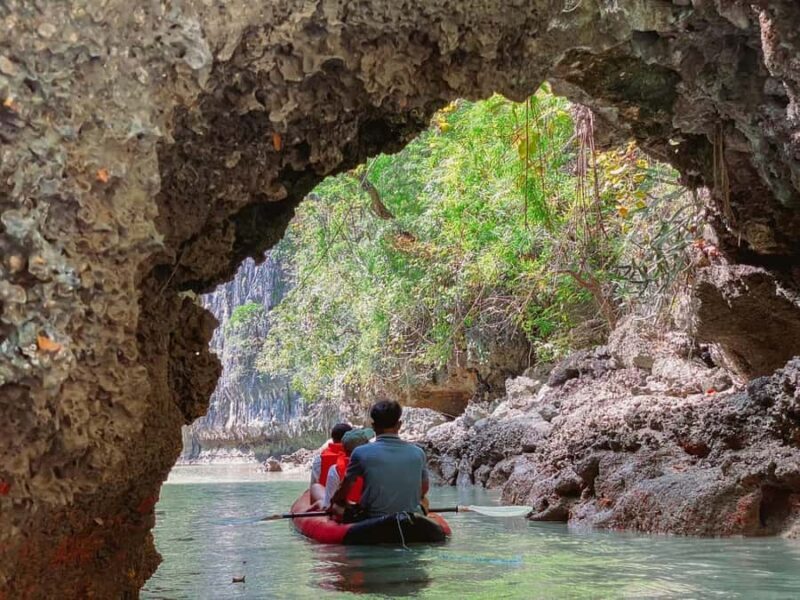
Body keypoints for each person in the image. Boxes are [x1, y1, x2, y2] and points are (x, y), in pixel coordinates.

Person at [331, 400, 429, 519]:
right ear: (399, 425)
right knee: (424, 500)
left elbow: (344, 491)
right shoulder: (418, 453)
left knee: (336, 506)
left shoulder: (360, 452)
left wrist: (335, 501)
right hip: (409, 515)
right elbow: (423, 489)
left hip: (371, 517)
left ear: (373, 426)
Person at [321, 427, 374, 508]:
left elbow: (330, 505)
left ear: (345, 449)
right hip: (372, 510)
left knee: (317, 488)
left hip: (350, 511)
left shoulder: (335, 469)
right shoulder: (377, 465)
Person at [309, 423, 352, 507]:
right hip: (354, 502)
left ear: (332, 439)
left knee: (315, 487)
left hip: (328, 503)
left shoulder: (320, 459)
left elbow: (314, 483)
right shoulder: (359, 458)